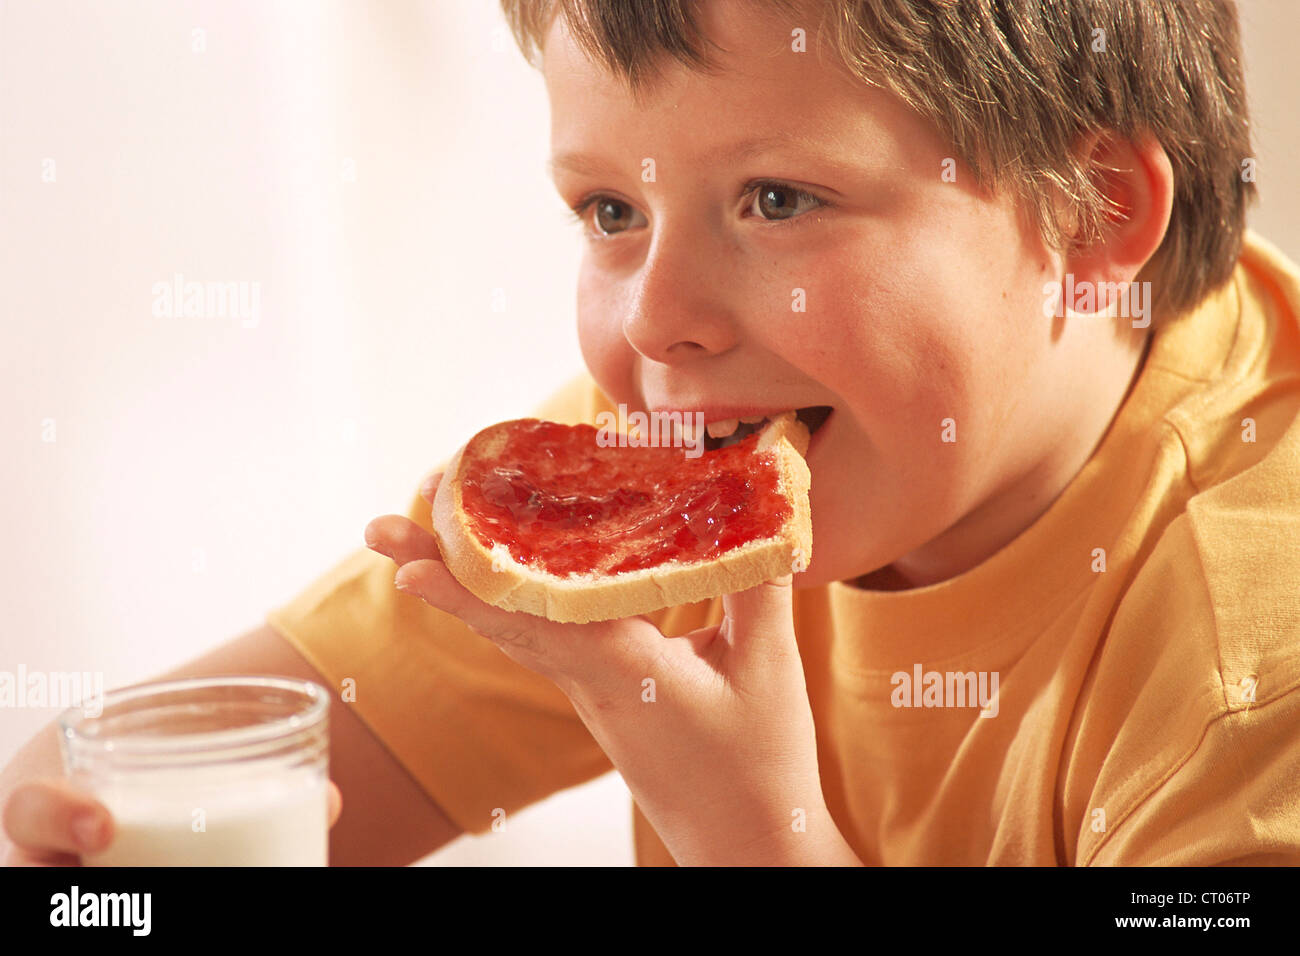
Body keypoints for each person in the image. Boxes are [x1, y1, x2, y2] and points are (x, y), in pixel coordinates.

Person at [5, 0, 1298, 866]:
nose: (657, 324)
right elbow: (148, 779)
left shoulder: (1253, 672)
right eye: (610, 210)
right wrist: (72, 827)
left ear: (1088, 217)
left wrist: (755, 832)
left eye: (776, 197)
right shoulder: (707, 458)